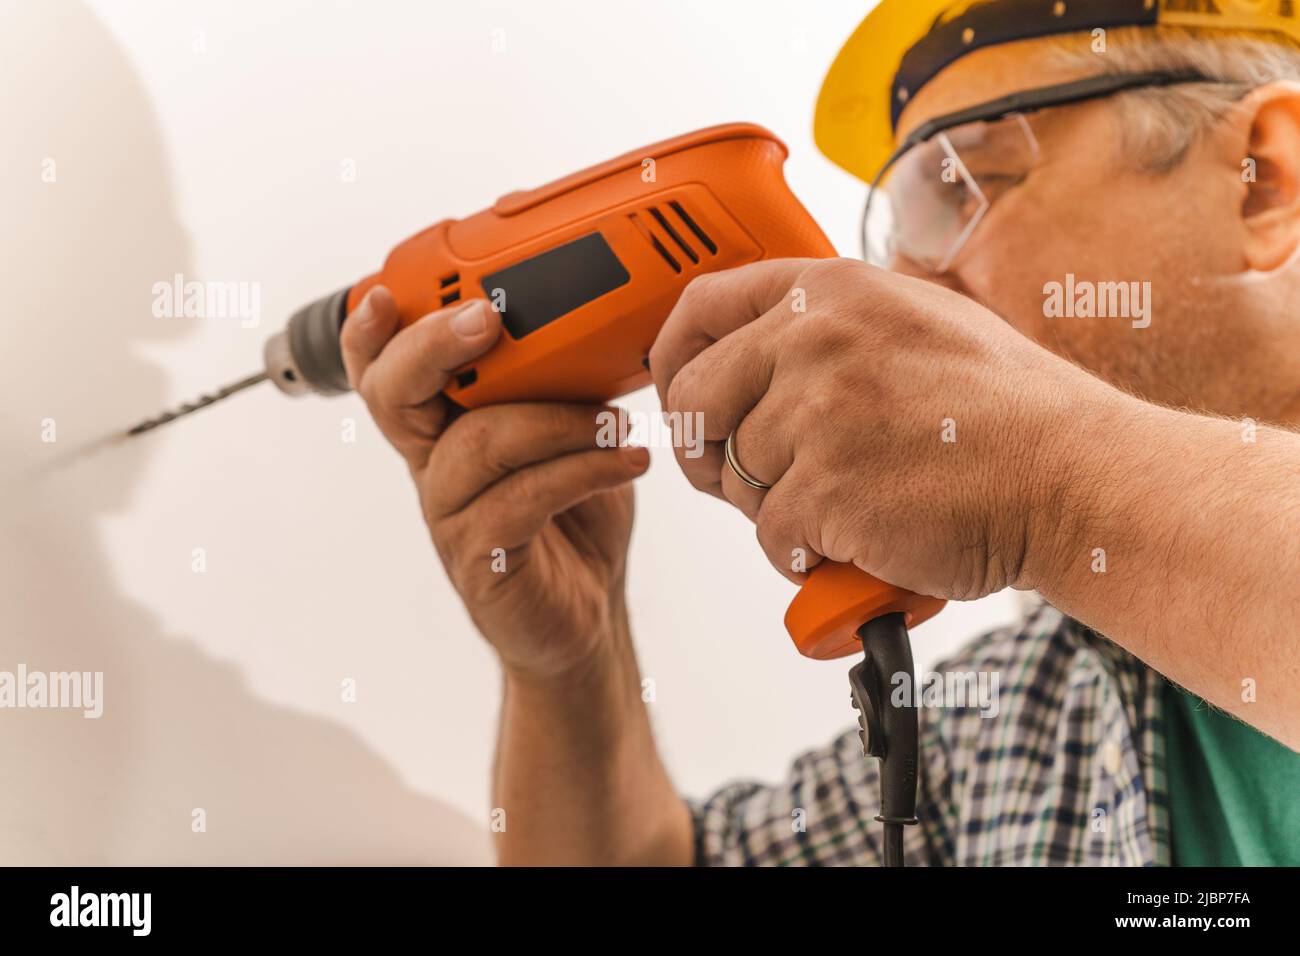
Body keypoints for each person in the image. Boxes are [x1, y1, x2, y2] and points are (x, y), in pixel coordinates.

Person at [339, 1, 1300, 865]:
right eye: (896, 236)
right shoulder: (1020, 723)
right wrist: (573, 669)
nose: (912, 290)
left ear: (1266, 179)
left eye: (962, 188)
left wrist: (1050, 486)